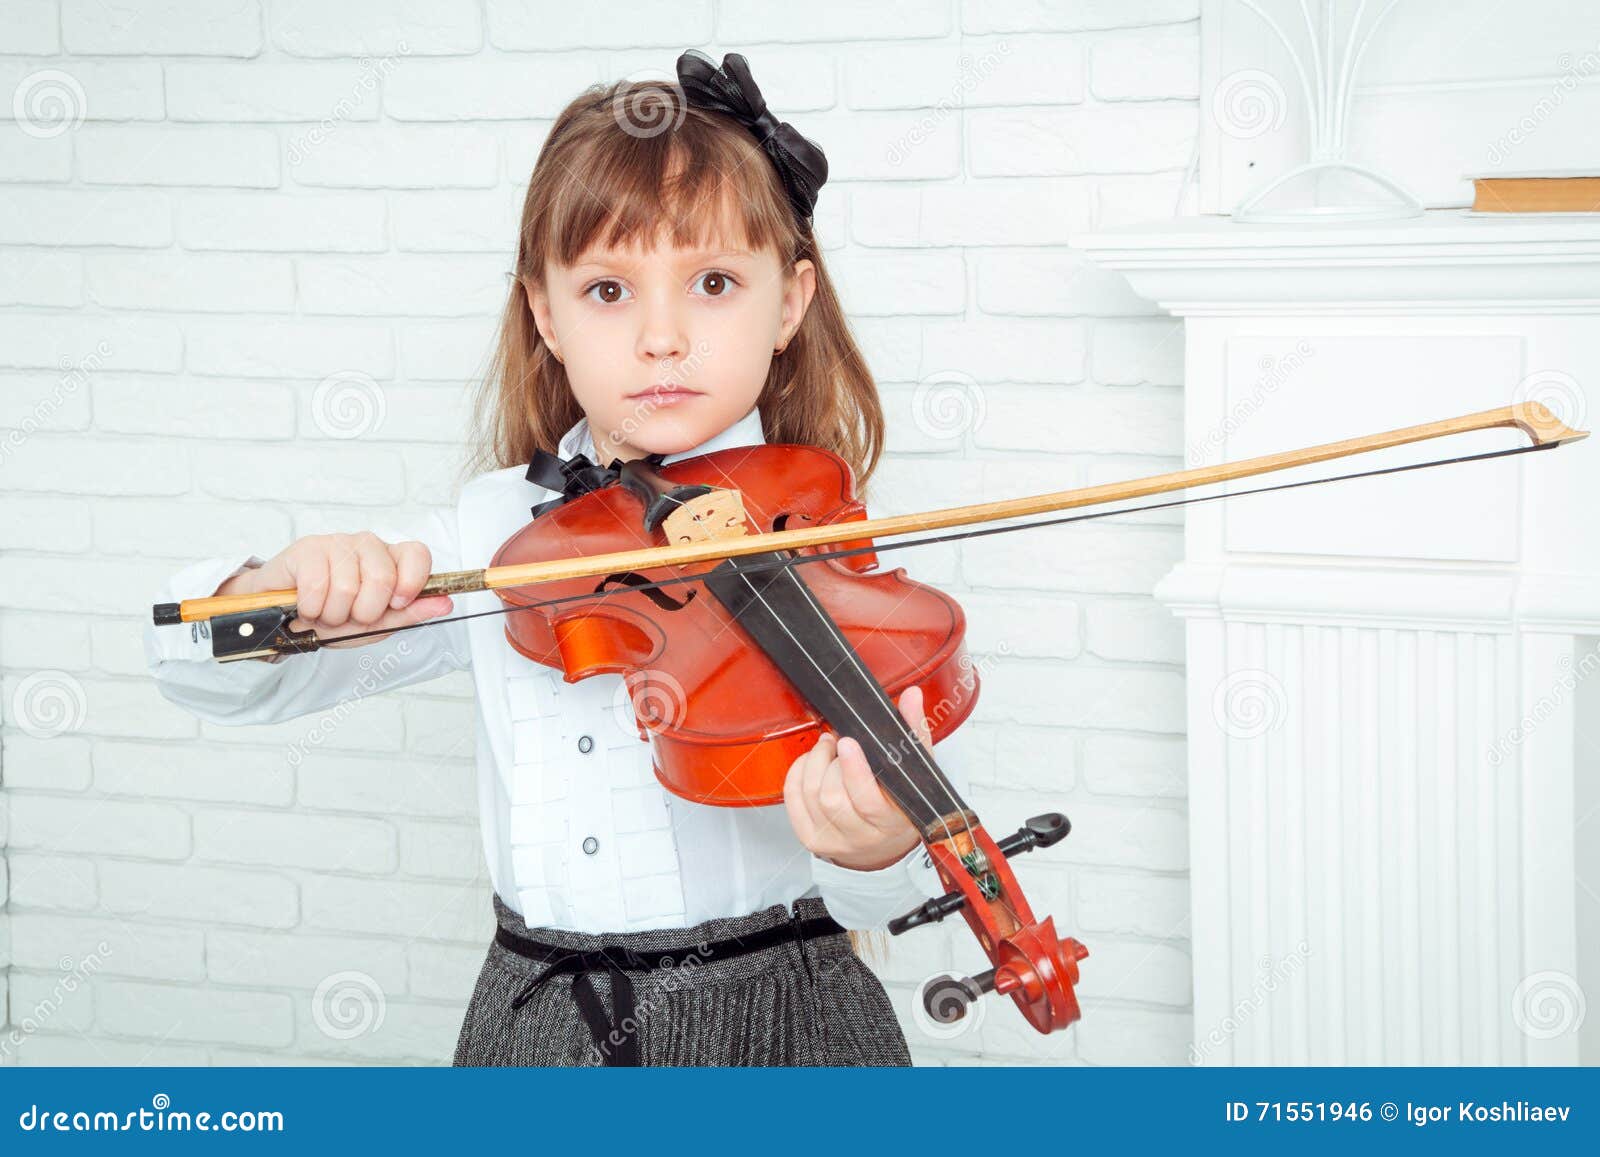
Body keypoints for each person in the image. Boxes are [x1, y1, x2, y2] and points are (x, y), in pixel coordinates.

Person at [145, 49, 974, 1067]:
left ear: (790, 301)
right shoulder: (496, 538)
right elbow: (201, 675)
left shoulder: (814, 531)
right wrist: (273, 590)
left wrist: (873, 848)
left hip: (784, 1022)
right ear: (546, 311)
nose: (661, 337)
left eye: (713, 282)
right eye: (608, 289)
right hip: (541, 1023)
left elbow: (885, 885)